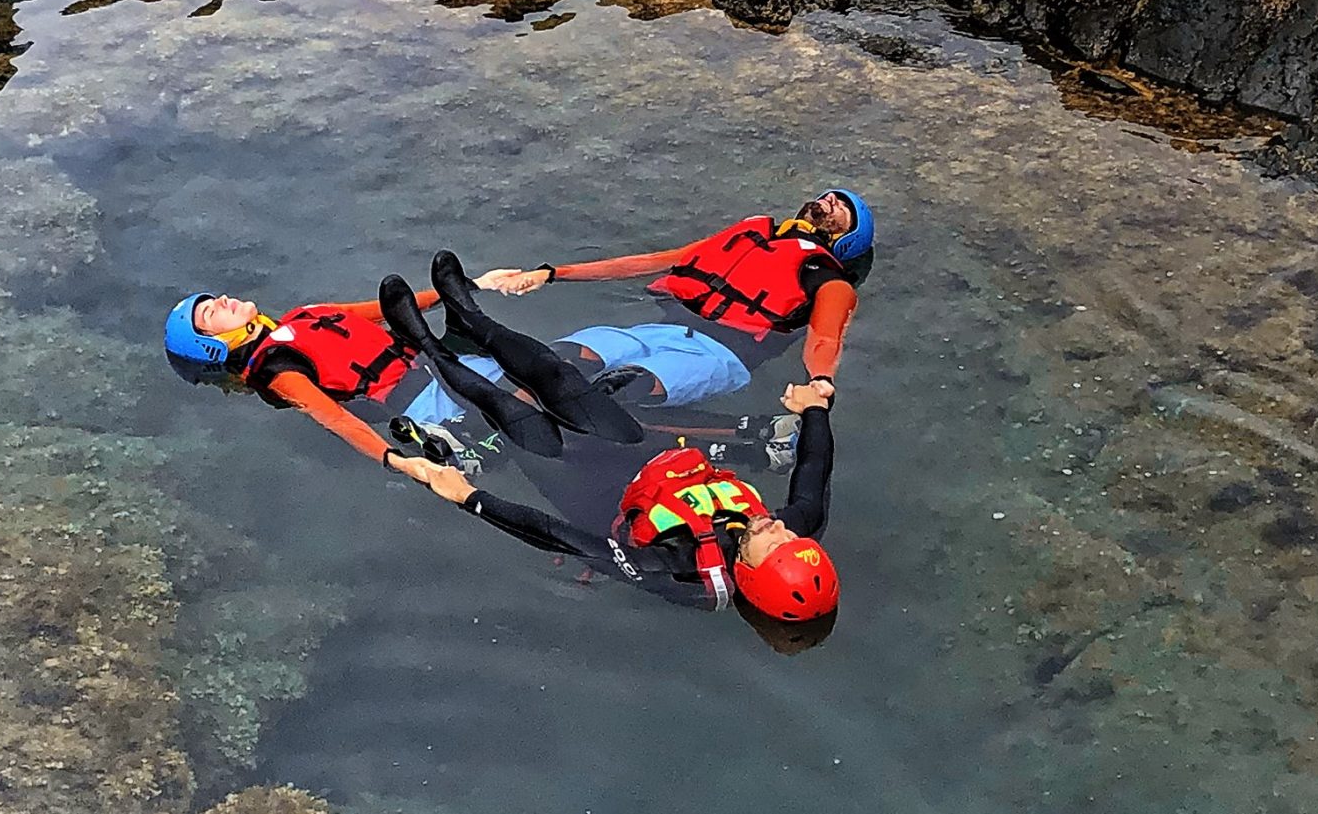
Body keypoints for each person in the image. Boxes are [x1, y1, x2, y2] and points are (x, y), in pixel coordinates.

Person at [161, 252, 645, 490]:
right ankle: (588, 432)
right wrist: (398, 461)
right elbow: (337, 419)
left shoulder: (308, 315)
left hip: (440, 364)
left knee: (549, 368)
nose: (222, 300)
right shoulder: (277, 371)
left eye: (213, 299)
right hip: (422, 403)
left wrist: (475, 284)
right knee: (529, 397)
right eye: (211, 314)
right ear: (214, 344)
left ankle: (595, 411)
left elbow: (398, 307)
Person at [408, 379, 839, 638]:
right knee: (586, 412)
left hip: (601, 511)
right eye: (791, 537)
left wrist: (469, 499)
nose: (777, 526)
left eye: (774, 542)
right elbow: (815, 468)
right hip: (660, 479)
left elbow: (564, 538)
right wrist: (816, 408)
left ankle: (476, 434)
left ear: (750, 574)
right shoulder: (790, 529)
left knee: (528, 437)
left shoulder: (681, 578)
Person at [470, 188, 874, 413]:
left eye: (844, 208)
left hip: (721, 357)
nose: (831, 200)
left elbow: (825, 337)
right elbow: (649, 263)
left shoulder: (829, 278)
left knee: (621, 384)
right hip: (659, 328)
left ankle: (537, 430)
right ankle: (484, 425)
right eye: (830, 195)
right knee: (561, 356)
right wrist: (553, 273)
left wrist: (821, 382)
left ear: (847, 238)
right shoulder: (751, 232)